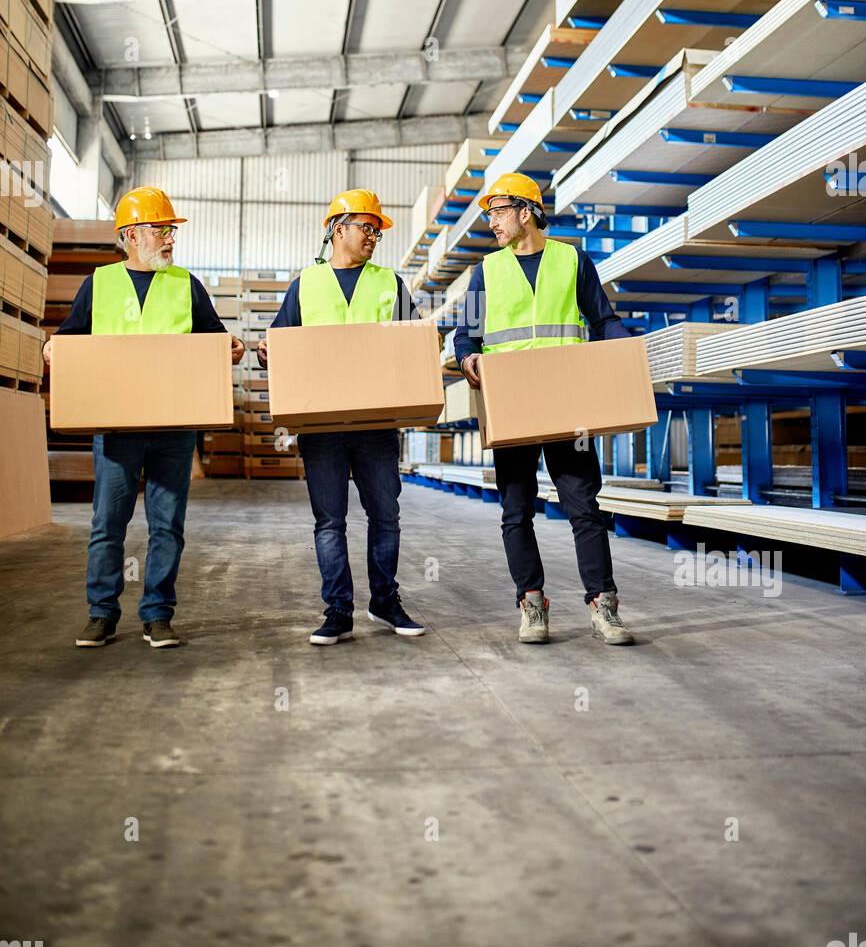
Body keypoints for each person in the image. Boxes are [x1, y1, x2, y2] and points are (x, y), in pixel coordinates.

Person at [42, 187, 245, 649]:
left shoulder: (187, 285)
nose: (170, 238)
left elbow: (216, 339)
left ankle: (157, 614)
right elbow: (69, 337)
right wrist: (49, 346)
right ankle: (101, 614)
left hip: (174, 431)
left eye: (172, 230)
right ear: (132, 235)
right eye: (161, 229)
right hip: (116, 431)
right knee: (107, 524)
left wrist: (229, 347)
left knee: (167, 525)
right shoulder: (100, 283)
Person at [454, 171, 635, 646]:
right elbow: (465, 336)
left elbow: (603, 320)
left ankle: (604, 606)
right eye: (489, 213)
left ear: (527, 211)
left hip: (565, 402)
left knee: (584, 508)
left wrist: (629, 352)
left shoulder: (572, 261)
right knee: (516, 510)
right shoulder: (486, 271)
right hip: (512, 405)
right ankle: (531, 604)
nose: (491, 221)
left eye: (497, 211)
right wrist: (468, 358)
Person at [257, 189, 425, 646]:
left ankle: (384, 602)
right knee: (330, 521)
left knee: (385, 515)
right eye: (365, 227)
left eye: (377, 230)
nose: (373, 235)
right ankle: (337, 610)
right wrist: (266, 348)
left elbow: (416, 344)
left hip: (376, 426)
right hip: (322, 427)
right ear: (336, 229)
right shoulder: (305, 285)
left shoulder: (390, 283)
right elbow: (279, 344)